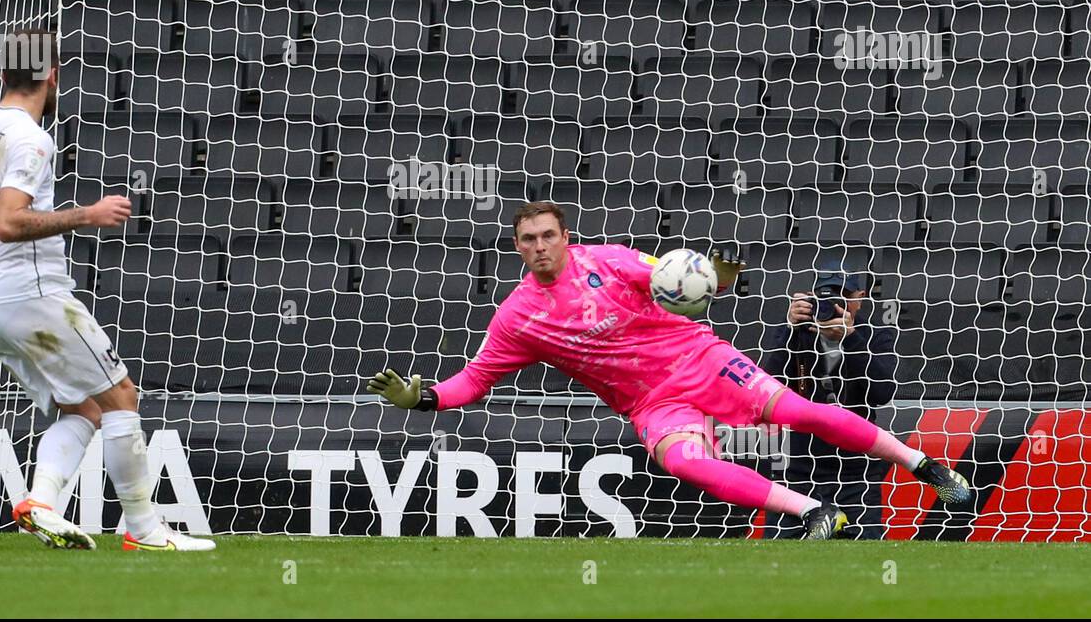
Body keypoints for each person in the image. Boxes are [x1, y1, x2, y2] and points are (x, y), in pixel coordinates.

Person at [366, 202, 970, 538]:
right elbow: (475, 380)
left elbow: (671, 280)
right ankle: (813, 513)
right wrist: (424, 400)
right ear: (518, 246)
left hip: (698, 357)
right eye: (529, 239)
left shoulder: (607, 260)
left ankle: (928, 467)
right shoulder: (519, 318)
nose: (540, 245)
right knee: (686, 463)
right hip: (652, 403)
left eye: (549, 235)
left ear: (566, 238)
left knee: (798, 411)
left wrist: (711, 281)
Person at [0, 28, 213, 551]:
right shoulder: (31, 138)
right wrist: (87, 214)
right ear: (52, 75)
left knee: (83, 409)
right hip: (33, 297)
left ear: (3, 74)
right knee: (120, 397)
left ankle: (39, 504)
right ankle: (144, 530)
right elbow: (9, 223)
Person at [759, 259, 896, 539]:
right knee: (780, 552)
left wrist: (851, 338)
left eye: (844, 296)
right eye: (826, 296)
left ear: (860, 299)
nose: (835, 304)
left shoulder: (875, 334)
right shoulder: (795, 330)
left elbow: (883, 392)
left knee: (863, 555)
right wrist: (788, 328)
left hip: (856, 467)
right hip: (800, 465)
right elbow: (765, 384)